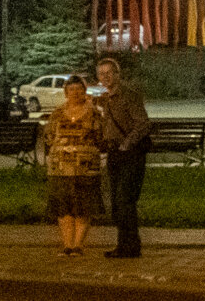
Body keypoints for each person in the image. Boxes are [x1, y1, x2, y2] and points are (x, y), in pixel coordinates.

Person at [37, 76, 104, 256]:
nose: (75, 93)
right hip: (60, 168)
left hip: (85, 167)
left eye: (79, 89)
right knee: (64, 207)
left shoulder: (94, 113)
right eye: (71, 89)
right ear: (66, 92)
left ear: (85, 91)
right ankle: (67, 244)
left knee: (82, 206)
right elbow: (49, 136)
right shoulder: (58, 113)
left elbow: (100, 137)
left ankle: (78, 245)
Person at [93, 55, 152, 259]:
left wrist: (126, 144)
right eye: (101, 74)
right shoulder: (106, 98)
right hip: (114, 153)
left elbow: (143, 123)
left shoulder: (129, 95)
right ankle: (124, 245)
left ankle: (131, 246)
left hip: (130, 153)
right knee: (118, 203)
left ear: (118, 74)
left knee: (125, 199)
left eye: (109, 73)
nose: (105, 77)